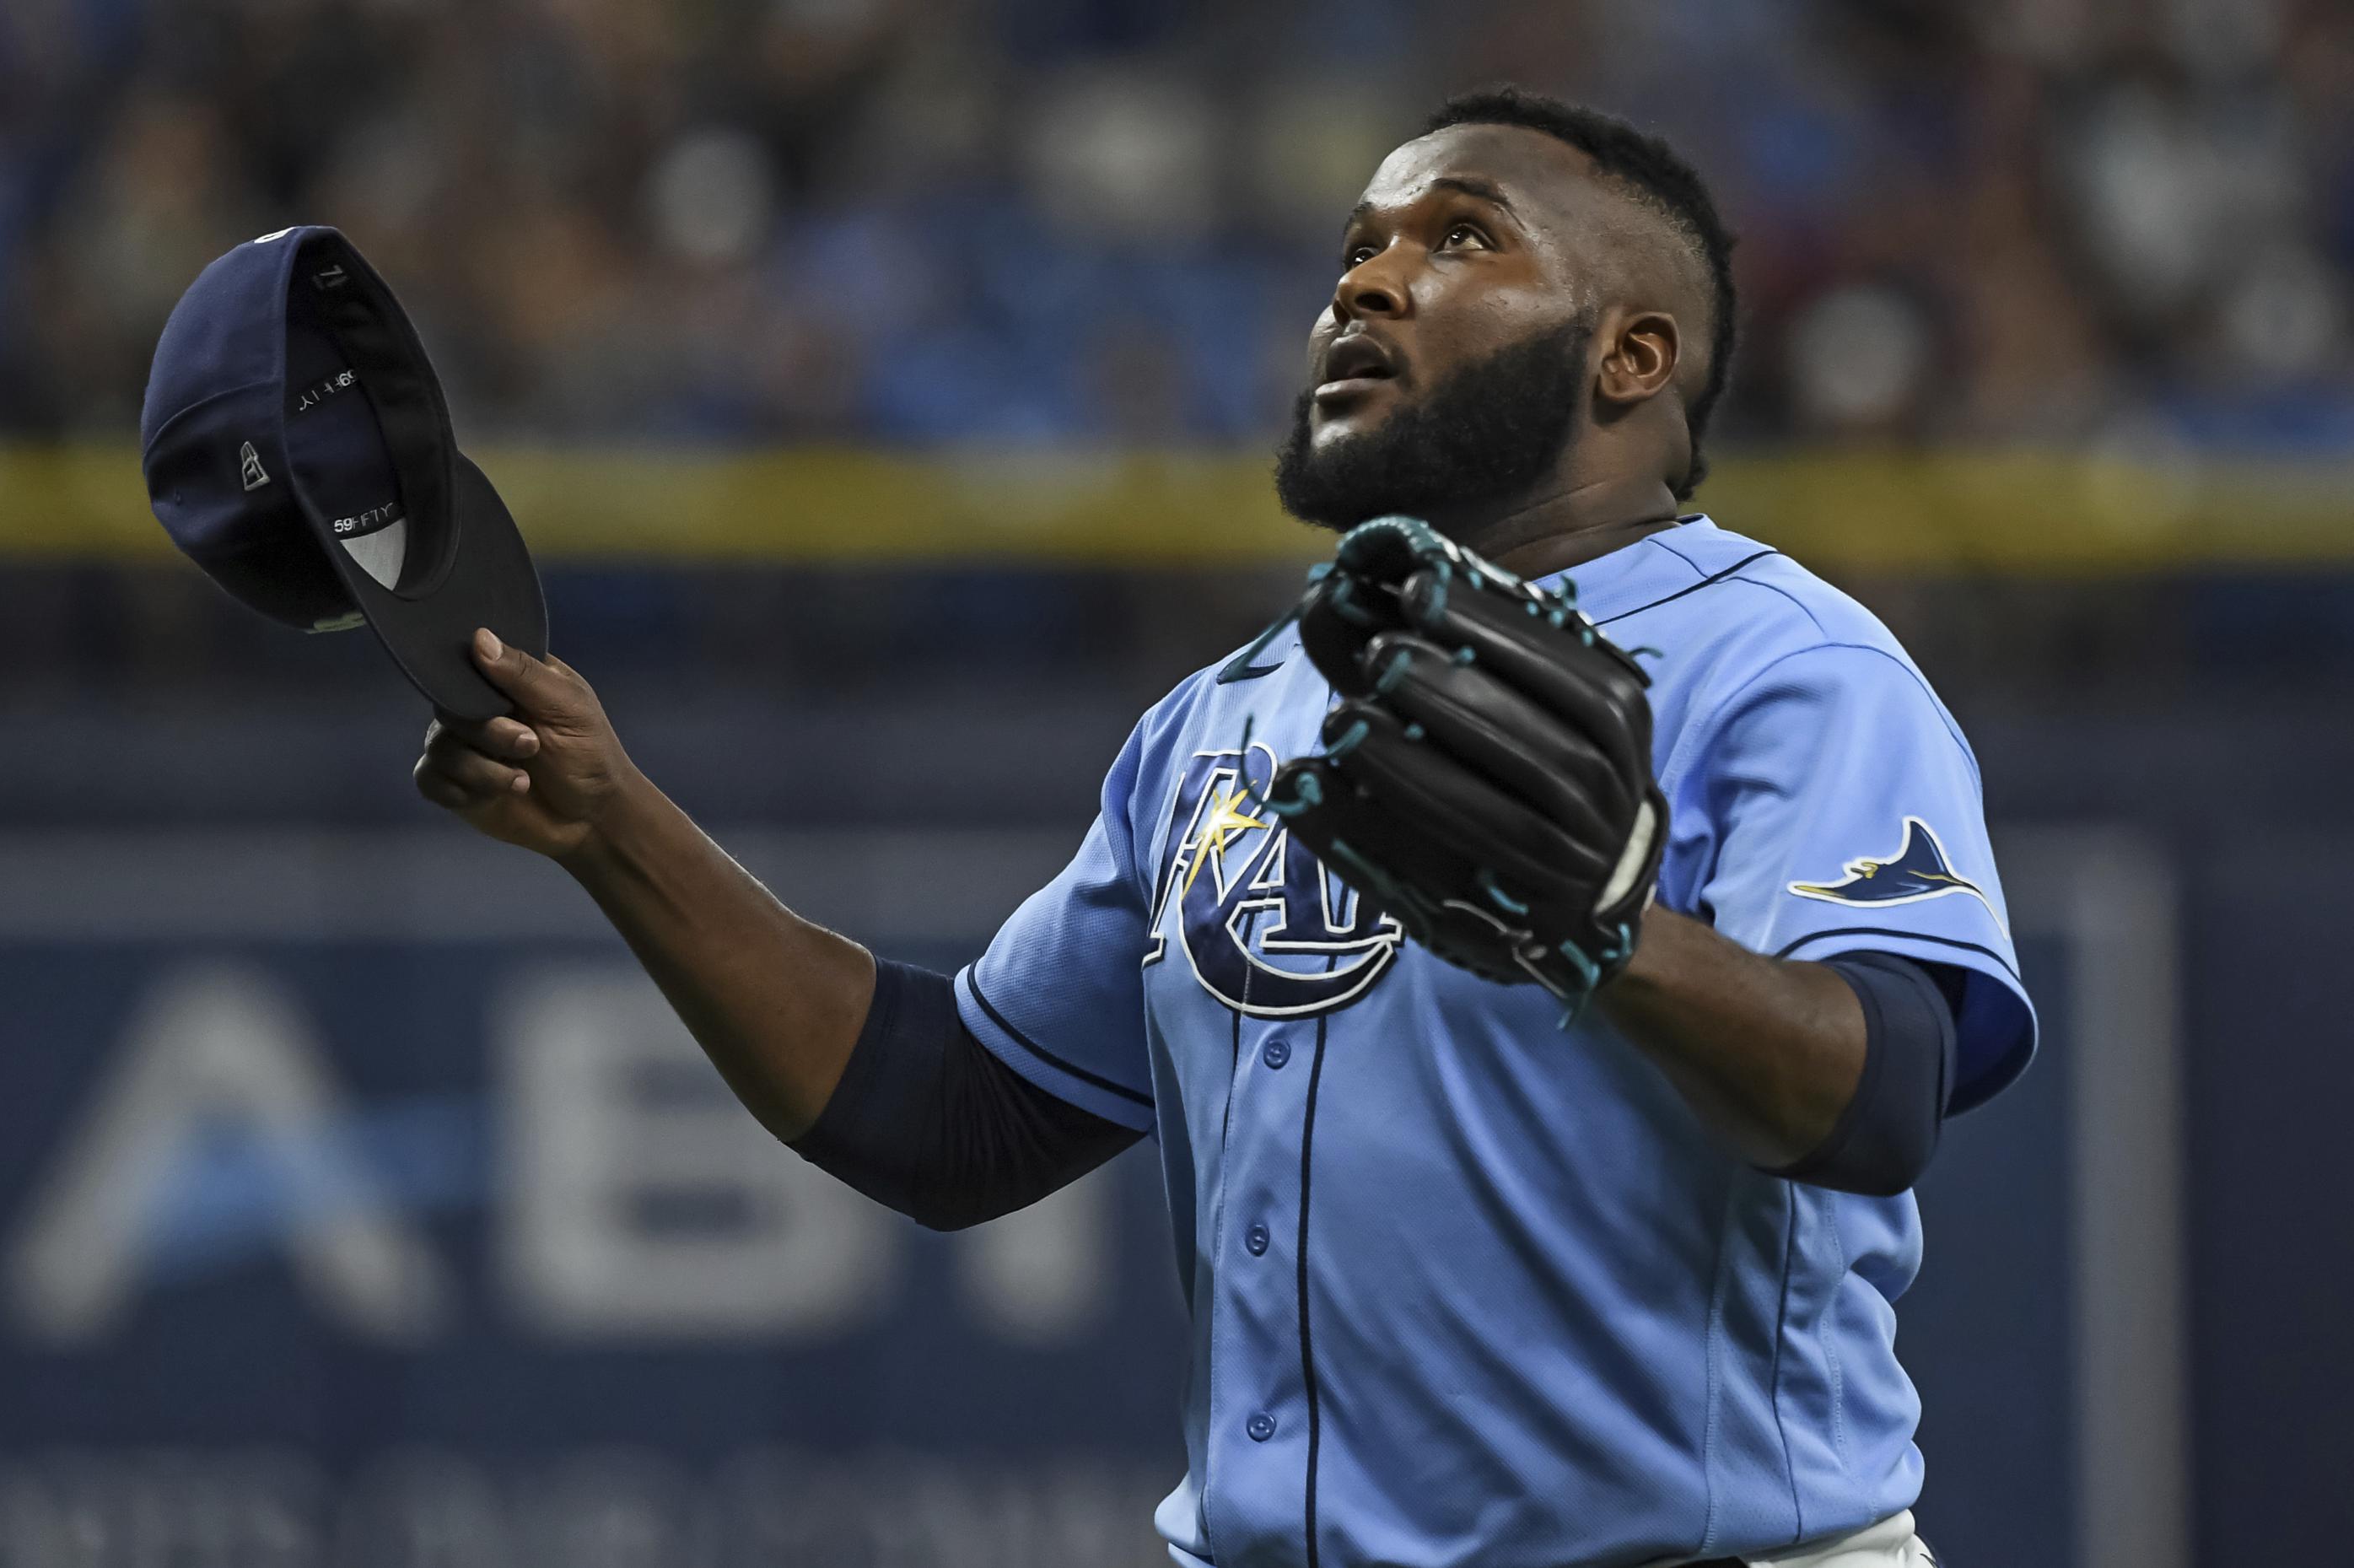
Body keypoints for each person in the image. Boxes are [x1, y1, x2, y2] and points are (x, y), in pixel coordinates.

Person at [414, 87, 2031, 1568]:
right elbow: (951, 1113)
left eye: (1460, 238)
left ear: (1632, 357)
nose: (1369, 282)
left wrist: (1603, 928)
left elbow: (1881, 1091)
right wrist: (611, 823)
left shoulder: (1785, 663)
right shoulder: (1226, 717)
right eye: (1358, 247)